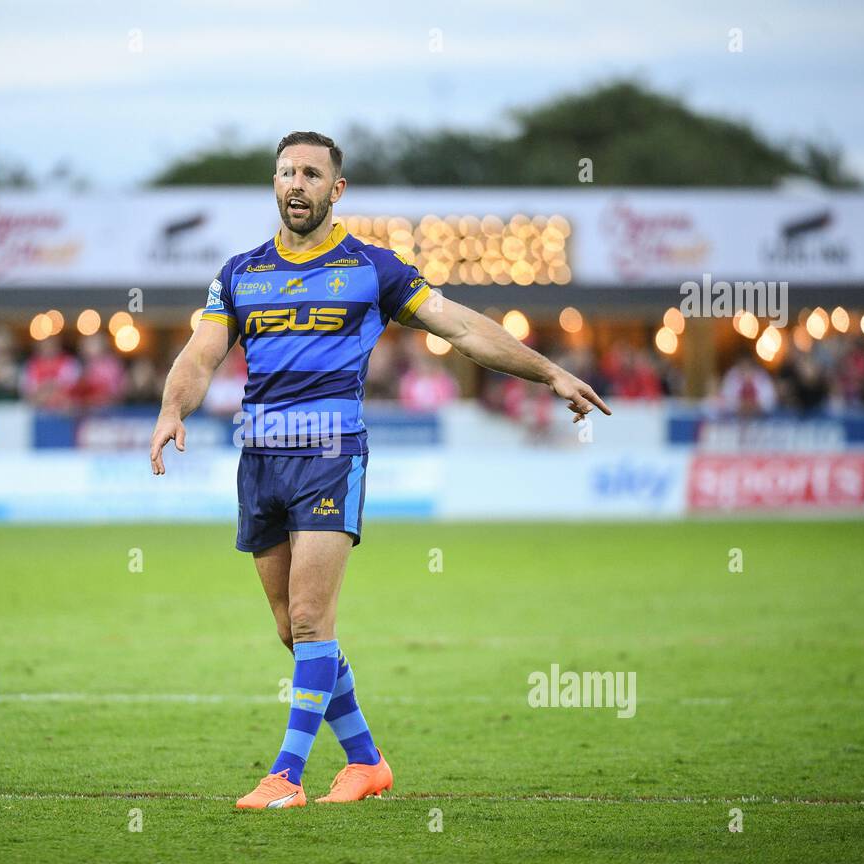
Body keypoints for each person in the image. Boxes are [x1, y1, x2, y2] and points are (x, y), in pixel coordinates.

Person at [148, 131, 610, 809]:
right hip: (261, 460)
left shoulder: (374, 269)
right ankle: (367, 762)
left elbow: (461, 328)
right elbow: (199, 355)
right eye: (285, 173)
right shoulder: (239, 273)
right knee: (292, 630)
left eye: (310, 173)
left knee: (310, 619)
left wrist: (550, 374)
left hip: (332, 456)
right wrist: (171, 407)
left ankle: (286, 777)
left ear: (337, 190)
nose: (295, 184)